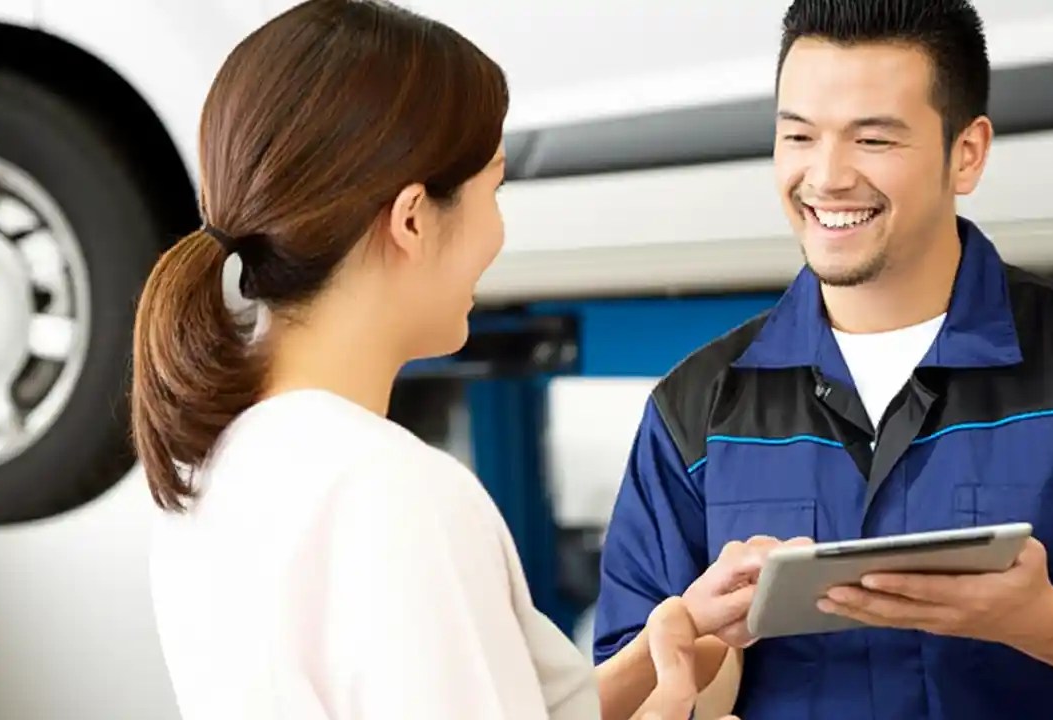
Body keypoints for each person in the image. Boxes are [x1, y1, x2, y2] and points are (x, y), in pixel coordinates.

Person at [593, 0, 1053, 718]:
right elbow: (634, 695)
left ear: (966, 152)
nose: (827, 176)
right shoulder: (696, 407)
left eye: (873, 140)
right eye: (799, 136)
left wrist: (1036, 617)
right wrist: (705, 638)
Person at [132, 1, 780, 718]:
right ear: (412, 218)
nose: (499, 232)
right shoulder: (395, 492)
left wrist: (668, 646)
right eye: (493, 190)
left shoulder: (213, 462)